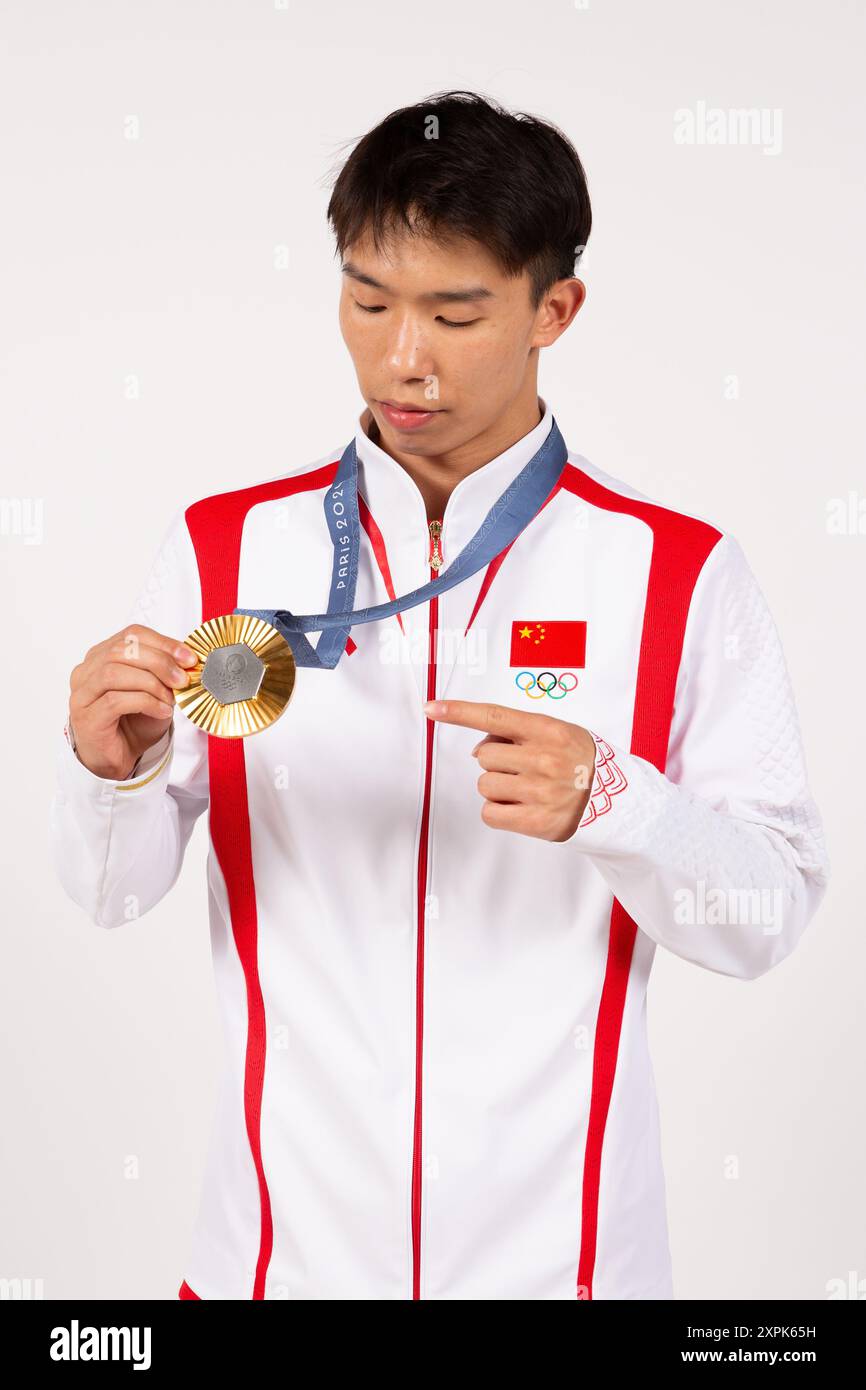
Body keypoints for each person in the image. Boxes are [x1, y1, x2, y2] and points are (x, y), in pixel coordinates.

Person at [50, 90, 829, 1301]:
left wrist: (613, 798)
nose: (401, 356)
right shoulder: (221, 548)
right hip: (271, 1269)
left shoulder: (676, 570)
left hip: (569, 1275)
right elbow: (108, 894)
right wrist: (111, 772)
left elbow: (766, 909)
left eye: (454, 312)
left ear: (551, 310)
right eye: (367, 302)